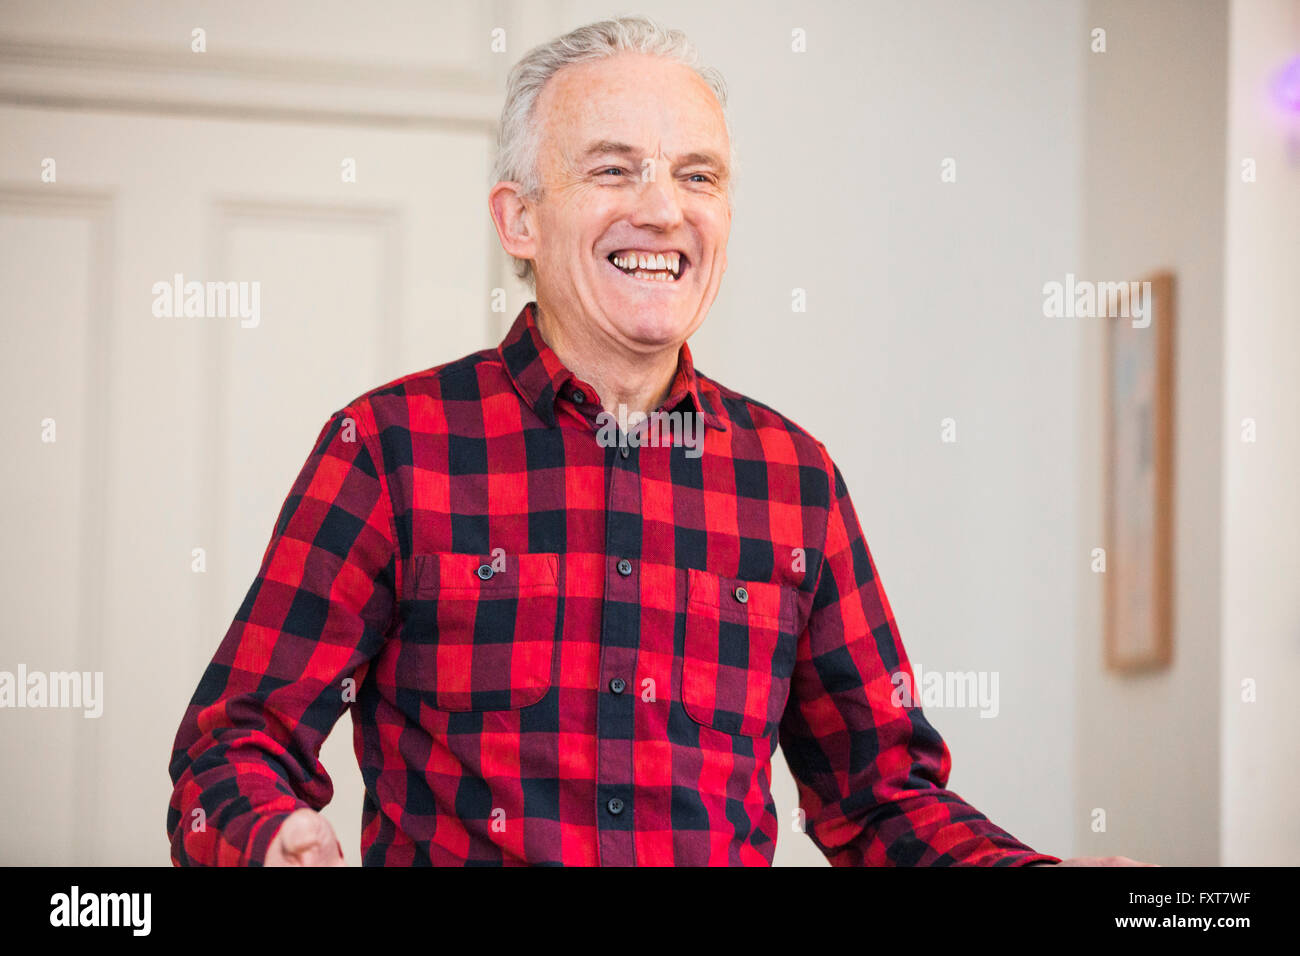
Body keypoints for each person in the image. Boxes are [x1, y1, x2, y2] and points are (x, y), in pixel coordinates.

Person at [167, 15, 1148, 867]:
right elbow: (233, 742)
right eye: (612, 168)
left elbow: (882, 798)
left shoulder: (793, 481)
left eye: (697, 175)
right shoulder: (389, 448)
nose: (663, 208)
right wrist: (267, 833)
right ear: (518, 218)